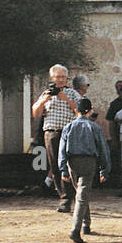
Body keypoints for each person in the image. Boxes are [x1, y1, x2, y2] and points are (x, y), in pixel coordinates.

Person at [57, 98, 111, 243]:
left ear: (76, 111)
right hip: (89, 162)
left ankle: (86, 224)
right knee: (82, 194)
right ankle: (75, 229)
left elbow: (61, 150)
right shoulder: (94, 127)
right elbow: (103, 149)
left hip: (72, 162)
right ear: (90, 111)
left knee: (80, 193)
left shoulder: (68, 127)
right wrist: (104, 170)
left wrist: (63, 170)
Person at [31, 64, 83, 212]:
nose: (60, 80)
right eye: (57, 77)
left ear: (66, 79)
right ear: (52, 78)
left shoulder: (72, 93)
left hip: (69, 133)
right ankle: (64, 199)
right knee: (55, 166)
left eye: (63, 77)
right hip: (51, 133)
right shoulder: (46, 94)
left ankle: (74, 195)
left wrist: (65, 99)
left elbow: (82, 111)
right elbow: (35, 113)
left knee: (69, 165)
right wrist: (43, 101)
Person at [105, 80, 122, 187]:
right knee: (119, 160)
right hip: (118, 136)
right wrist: (113, 139)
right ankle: (121, 183)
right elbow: (111, 121)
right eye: (118, 87)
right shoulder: (114, 104)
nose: (120, 88)